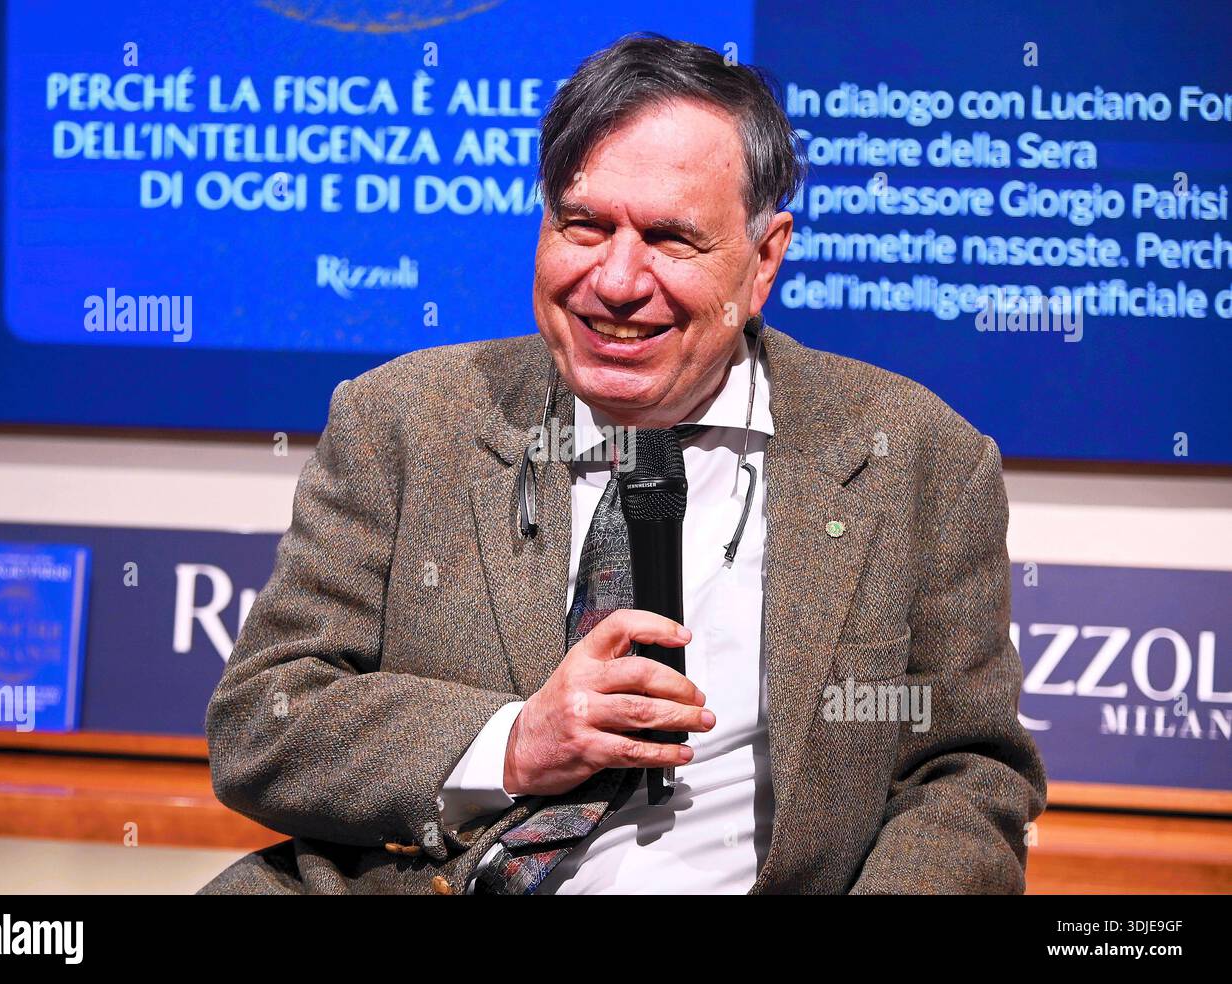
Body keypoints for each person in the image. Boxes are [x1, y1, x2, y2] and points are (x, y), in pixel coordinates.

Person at [201, 33, 1046, 895]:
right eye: (586, 225)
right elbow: (265, 722)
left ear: (764, 261)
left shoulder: (914, 457)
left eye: (672, 239)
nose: (615, 280)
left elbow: (965, 778)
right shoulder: (405, 421)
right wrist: (514, 741)